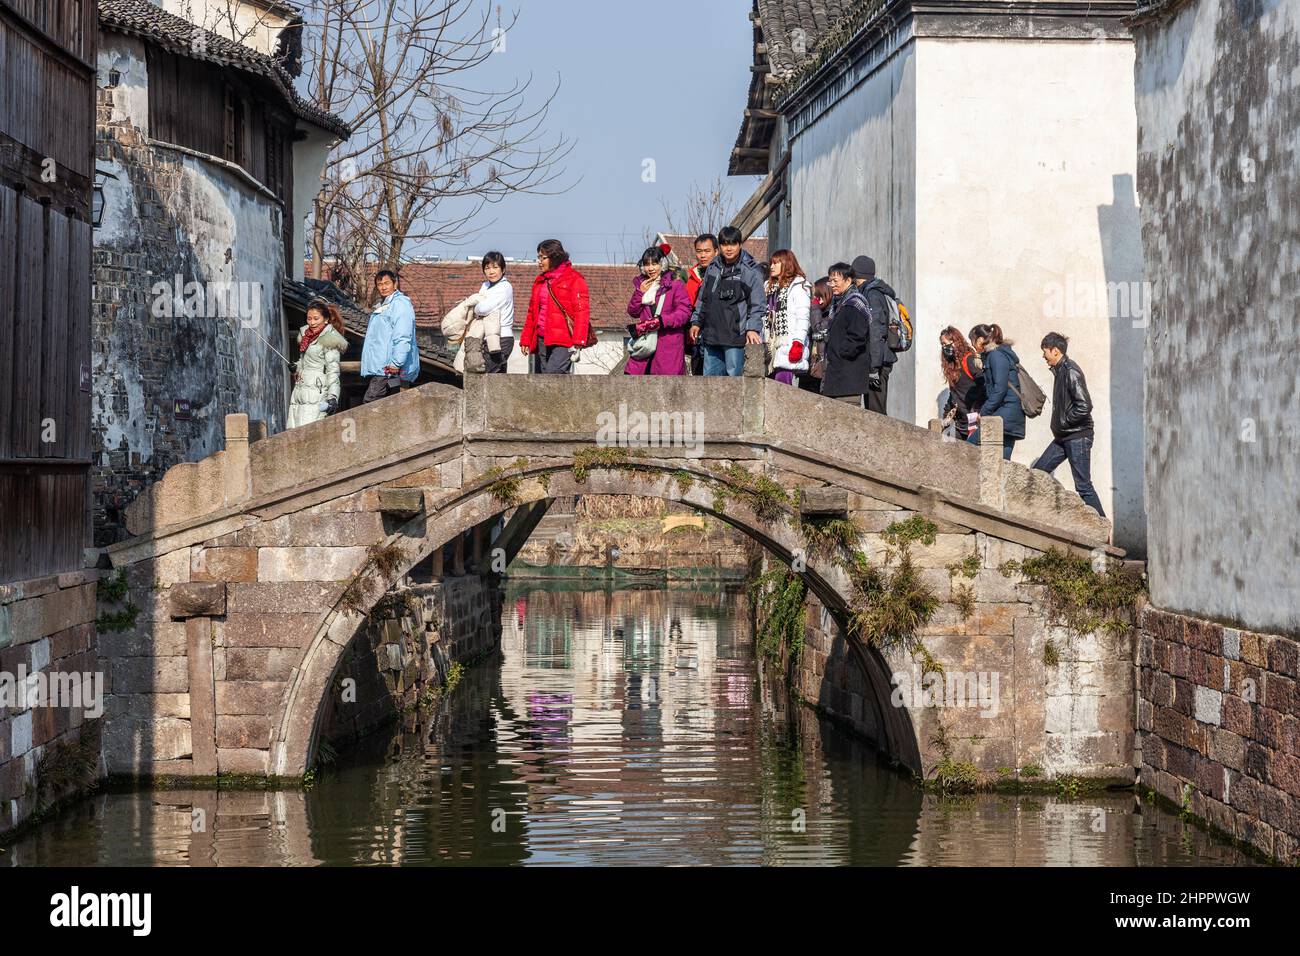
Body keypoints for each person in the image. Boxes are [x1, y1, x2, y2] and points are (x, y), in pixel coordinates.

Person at [1032, 332, 1105, 516]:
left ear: (1055, 351)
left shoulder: (1071, 371)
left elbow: (1085, 405)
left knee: (1083, 486)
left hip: (1078, 436)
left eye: (1045, 352)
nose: (1043, 356)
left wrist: (1064, 421)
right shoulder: (1060, 370)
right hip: (1064, 436)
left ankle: (1103, 532)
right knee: (1038, 472)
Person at [688, 225, 765, 376]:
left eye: (732, 244)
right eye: (724, 244)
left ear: (740, 245)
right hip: (711, 336)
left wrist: (752, 328)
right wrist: (696, 322)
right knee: (711, 385)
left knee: (734, 384)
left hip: (735, 337)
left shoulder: (750, 270)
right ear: (720, 246)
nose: (728, 248)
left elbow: (758, 304)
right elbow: (703, 298)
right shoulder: (713, 267)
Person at [519, 239, 591, 375]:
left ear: (555, 257)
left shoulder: (575, 279)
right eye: (538, 257)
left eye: (543, 257)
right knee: (545, 380)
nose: (539, 261)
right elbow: (532, 313)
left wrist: (578, 341)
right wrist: (526, 339)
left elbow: (582, 312)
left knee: (553, 374)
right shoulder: (540, 281)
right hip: (542, 338)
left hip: (564, 340)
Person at [624, 245, 692, 376]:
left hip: (668, 344)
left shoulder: (675, 285)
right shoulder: (642, 285)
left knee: (667, 386)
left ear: (663, 264)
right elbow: (633, 311)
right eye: (647, 264)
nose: (650, 268)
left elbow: (685, 312)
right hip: (646, 345)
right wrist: (639, 292)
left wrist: (662, 321)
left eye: (654, 264)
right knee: (639, 384)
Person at [819, 262, 877, 407]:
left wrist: (841, 353)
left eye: (835, 281)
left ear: (848, 280)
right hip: (837, 374)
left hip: (849, 376)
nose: (831, 284)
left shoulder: (854, 304)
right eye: (830, 280)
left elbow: (857, 337)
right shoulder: (838, 304)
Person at [286, 299, 348, 428]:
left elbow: (333, 371)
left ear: (326, 319)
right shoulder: (306, 336)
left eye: (316, 318)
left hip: (317, 391)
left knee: (310, 430)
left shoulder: (329, 339)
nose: (312, 322)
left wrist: (333, 397)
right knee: (295, 431)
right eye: (309, 319)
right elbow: (304, 362)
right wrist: (295, 367)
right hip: (300, 389)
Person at [966, 323, 1024, 459]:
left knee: (968, 448)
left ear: (980, 340)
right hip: (1009, 414)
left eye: (972, 341)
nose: (972, 346)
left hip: (1006, 414)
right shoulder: (996, 355)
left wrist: (984, 412)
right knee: (1003, 463)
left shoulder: (996, 356)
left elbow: (1000, 389)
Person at [360, 268, 419, 403]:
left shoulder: (400, 304)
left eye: (386, 283)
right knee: (388, 404)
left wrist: (396, 362)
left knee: (370, 402)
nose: (383, 287)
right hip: (384, 366)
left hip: (389, 367)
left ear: (395, 284)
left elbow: (403, 335)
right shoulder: (384, 305)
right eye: (379, 284)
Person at [850, 255, 898, 415]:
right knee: (873, 410)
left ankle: (886, 440)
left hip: (878, 362)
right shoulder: (870, 291)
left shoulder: (872, 295)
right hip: (876, 360)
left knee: (876, 412)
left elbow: (876, 332)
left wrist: (873, 368)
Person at [764, 249, 811, 385]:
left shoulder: (799, 287)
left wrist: (798, 343)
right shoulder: (769, 287)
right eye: (771, 263)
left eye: (775, 263)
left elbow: (803, 318)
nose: (771, 267)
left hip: (788, 346)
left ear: (786, 264)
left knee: (783, 389)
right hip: (770, 347)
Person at [939, 326, 984, 440]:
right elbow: (954, 394)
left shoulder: (969, 360)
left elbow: (983, 384)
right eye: (942, 345)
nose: (944, 348)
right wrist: (945, 418)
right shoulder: (952, 366)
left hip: (973, 420)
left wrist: (979, 408)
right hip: (960, 423)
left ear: (956, 341)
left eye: (946, 343)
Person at [684, 234, 718, 376]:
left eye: (707, 251)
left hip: (717, 335)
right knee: (698, 374)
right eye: (699, 251)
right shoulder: (691, 277)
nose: (702, 255)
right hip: (696, 338)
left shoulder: (723, 274)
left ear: (716, 251)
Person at [476, 251, 515, 373]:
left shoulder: (505, 287)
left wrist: (476, 307)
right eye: (487, 268)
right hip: (487, 336)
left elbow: (482, 309)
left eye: (495, 267)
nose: (491, 271)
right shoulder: (485, 286)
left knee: (489, 375)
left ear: (503, 269)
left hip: (502, 337)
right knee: (499, 377)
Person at [799, 276, 832, 394]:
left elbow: (819, 329)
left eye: (819, 296)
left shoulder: (830, 313)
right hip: (810, 368)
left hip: (821, 369)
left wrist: (814, 307)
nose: (817, 300)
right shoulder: (817, 312)